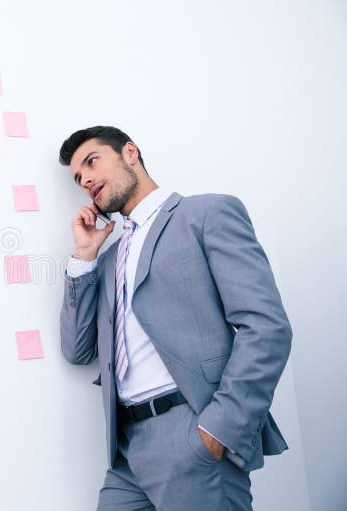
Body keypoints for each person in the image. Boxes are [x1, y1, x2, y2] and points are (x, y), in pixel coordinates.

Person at [58, 126, 292, 510]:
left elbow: (266, 326)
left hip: (192, 433)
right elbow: (77, 349)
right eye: (78, 177)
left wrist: (219, 428)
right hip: (127, 452)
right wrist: (84, 258)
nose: (84, 179)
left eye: (92, 162)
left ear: (130, 153)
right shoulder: (111, 257)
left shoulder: (206, 213)